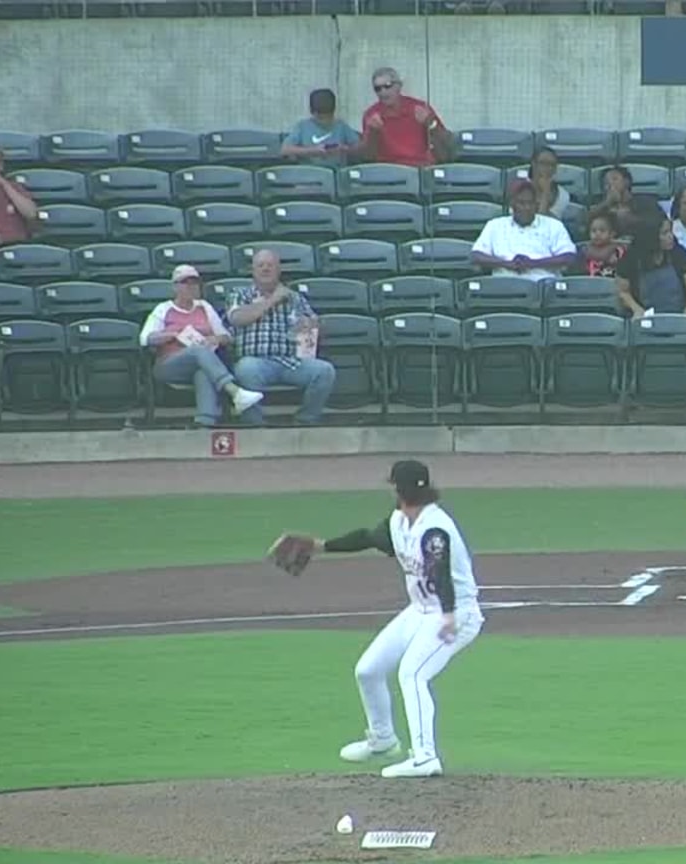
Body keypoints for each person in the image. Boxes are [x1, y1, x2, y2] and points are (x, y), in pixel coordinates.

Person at [280, 460, 485, 779]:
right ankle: (383, 740)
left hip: (455, 614)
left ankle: (424, 757)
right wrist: (321, 546)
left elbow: (440, 572)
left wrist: (447, 616)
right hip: (420, 611)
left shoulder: (433, 528)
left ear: (399, 490)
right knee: (368, 670)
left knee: (413, 675)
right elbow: (368, 537)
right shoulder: (401, 523)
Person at [138, 264, 265, 428]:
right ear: (175, 287)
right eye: (185, 283)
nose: (191, 287)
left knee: (203, 371)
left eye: (194, 283)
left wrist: (215, 339)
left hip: (201, 362)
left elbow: (227, 336)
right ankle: (233, 391)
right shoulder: (163, 309)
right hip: (169, 364)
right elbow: (145, 339)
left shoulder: (204, 307)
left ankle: (206, 423)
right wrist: (172, 335)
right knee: (199, 352)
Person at [225, 249, 338, 425]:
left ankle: (305, 420)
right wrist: (272, 300)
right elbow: (236, 319)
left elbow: (315, 325)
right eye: (260, 265)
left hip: (290, 361)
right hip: (256, 361)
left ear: (278, 270)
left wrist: (311, 324)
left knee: (324, 371)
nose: (265, 269)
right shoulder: (240, 294)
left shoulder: (294, 297)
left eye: (270, 265)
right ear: (253, 271)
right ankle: (254, 424)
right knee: (246, 369)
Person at [469, 180, 578, 281]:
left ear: (536, 204)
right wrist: (507, 264)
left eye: (530, 203)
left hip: (543, 283)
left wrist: (533, 263)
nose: (527, 207)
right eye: (521, 203)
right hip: (505, 284)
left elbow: (569, 257)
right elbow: (476, 256)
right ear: (512, 204)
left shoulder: (553, 225)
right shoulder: (495, 225)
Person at [358, 67, 452, 168]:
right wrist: (373, 132)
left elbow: (447, 148)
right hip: (387, 171)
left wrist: (431, 123)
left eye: (388, 86)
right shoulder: (371, 115)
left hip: (419, 169)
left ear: (399, 86)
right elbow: (367, 157)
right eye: (378, 89)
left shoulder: (419, 108)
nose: (383, 92)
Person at [615, 215, 686, 316]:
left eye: (670, 231)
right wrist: (637, 310)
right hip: (645, 319)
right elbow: (623, 292)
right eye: (664, 233)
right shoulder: (631, 257)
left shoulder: (678, 253)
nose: (671, 237)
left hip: (678, 316)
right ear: (650, 236)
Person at [282, 88, 362, 167]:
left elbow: (360, 148)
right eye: (320, 118)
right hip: (309, 173)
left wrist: (345, 149)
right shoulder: (302, 126)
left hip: (336, 173)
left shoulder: (341, 126)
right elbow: (285, 150)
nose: (325, 122)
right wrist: (312, 151)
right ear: (312, 112)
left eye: (329, 117)